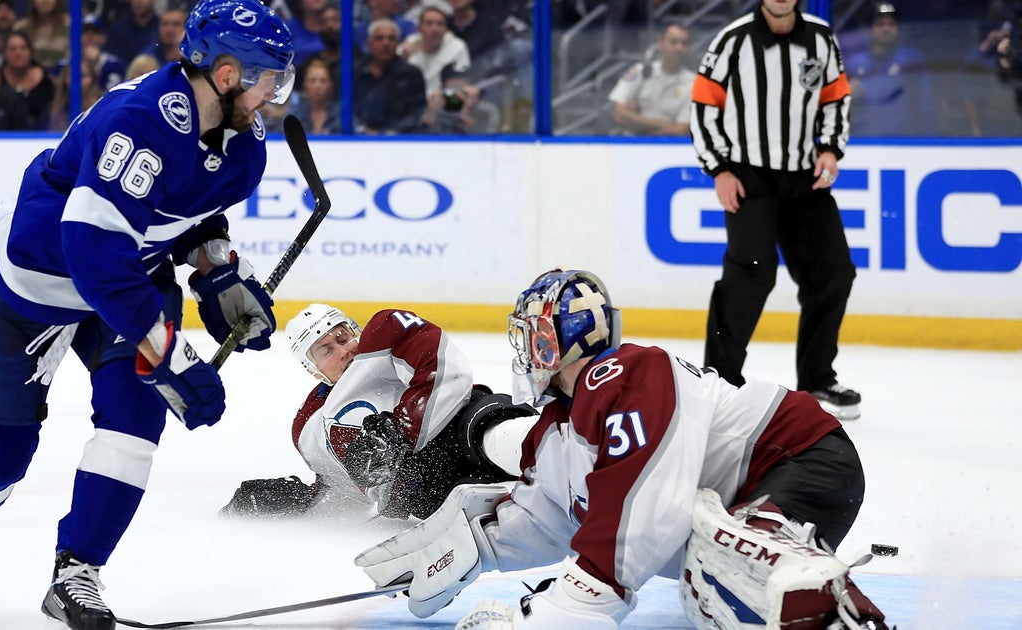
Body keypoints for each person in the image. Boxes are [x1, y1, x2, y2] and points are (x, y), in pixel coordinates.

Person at [0, 2, 293, 629]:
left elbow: (187, 215)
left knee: (135, 423)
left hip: (126, 282)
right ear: (226, 75)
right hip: (33, 282)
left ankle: (76, 573)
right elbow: (91, 246)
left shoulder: (243, 146)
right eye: (267, 78)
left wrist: (219, 269)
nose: (274, 94)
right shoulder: (137, 121)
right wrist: (168, 349)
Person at [355, 269, 890, 630]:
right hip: (747, 496)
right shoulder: (562, 428)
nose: (524, 352)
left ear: (554, 339)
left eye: (531, 336)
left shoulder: (623, 373)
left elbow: (644, 493)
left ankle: (829, 604)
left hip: (803, 459)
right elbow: (552, 516)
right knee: (707, 585)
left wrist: (581, 596)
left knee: (727, 560)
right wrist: (479, 543)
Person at [689, 0, 861, 420]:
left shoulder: (821, 38)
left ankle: (818, 378)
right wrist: (720, 169)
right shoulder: (733, 40)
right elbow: (703, 104)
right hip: (750, 178)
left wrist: (829, 149)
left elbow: (835, 97)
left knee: (833, 272)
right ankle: (719, 381)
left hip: (805, 179)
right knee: (750, 273)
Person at [222, 304, 536, 520]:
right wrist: (297, 505)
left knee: (489, 429)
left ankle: (552, 456)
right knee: (441, 497)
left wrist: (400, 431)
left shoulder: (382, 338)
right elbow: (347, 493)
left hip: (463, 426)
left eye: (342, 336)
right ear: (313, 370)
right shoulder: (309, 429)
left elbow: (444, 370)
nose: (343, 350)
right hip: (425, 487)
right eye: (326, 350)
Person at [846, 3, 939, 137]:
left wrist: (930, 142)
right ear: (870, 29)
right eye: (880, 24)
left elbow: (926, 106)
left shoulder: (912, 60)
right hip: (863, 144)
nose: (886, 28)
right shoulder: (855, 64)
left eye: (891, 24)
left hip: (904, 144)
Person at [607, 22, 693, 136]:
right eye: (673, 42)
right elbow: (619, 115)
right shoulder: (639, 71)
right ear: (660, 44)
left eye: (684, 43)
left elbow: (680, 130)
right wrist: (665, 125)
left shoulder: (695, 84)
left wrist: (635, 120)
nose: (679, 47)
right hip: (631, 145)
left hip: (671, 149)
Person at [353, 18, 426, 133]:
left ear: (398, 43)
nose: (385, 43)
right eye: (379, 38)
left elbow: (417, 112)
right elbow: (342, 108)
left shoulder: (411, 74)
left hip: (397, 140)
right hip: (356, 139)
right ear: (369, 43)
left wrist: (389, 132)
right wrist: (361, 130)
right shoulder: (354, 73)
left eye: (391, 39)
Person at [401, 4, 471, 96]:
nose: (434, 29)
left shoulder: (457, 48)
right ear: (419, 28)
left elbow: (464, 79)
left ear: (446, 29)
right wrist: (403, 58)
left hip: (448, 100)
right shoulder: (408, 46)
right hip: (415, 103)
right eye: (429, 24)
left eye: (440, 24)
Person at [0, 31, 54, 129]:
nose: (18, 53)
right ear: (5, 53)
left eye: (23, 48)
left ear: (31, 52)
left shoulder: (46, 81)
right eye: (12, 49)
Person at [285, 56, 339, 134]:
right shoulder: (293, 115)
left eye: (323, 81)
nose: (317, 86)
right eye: (312, 81)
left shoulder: (342, 115)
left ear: (330, 85)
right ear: (304, 84)